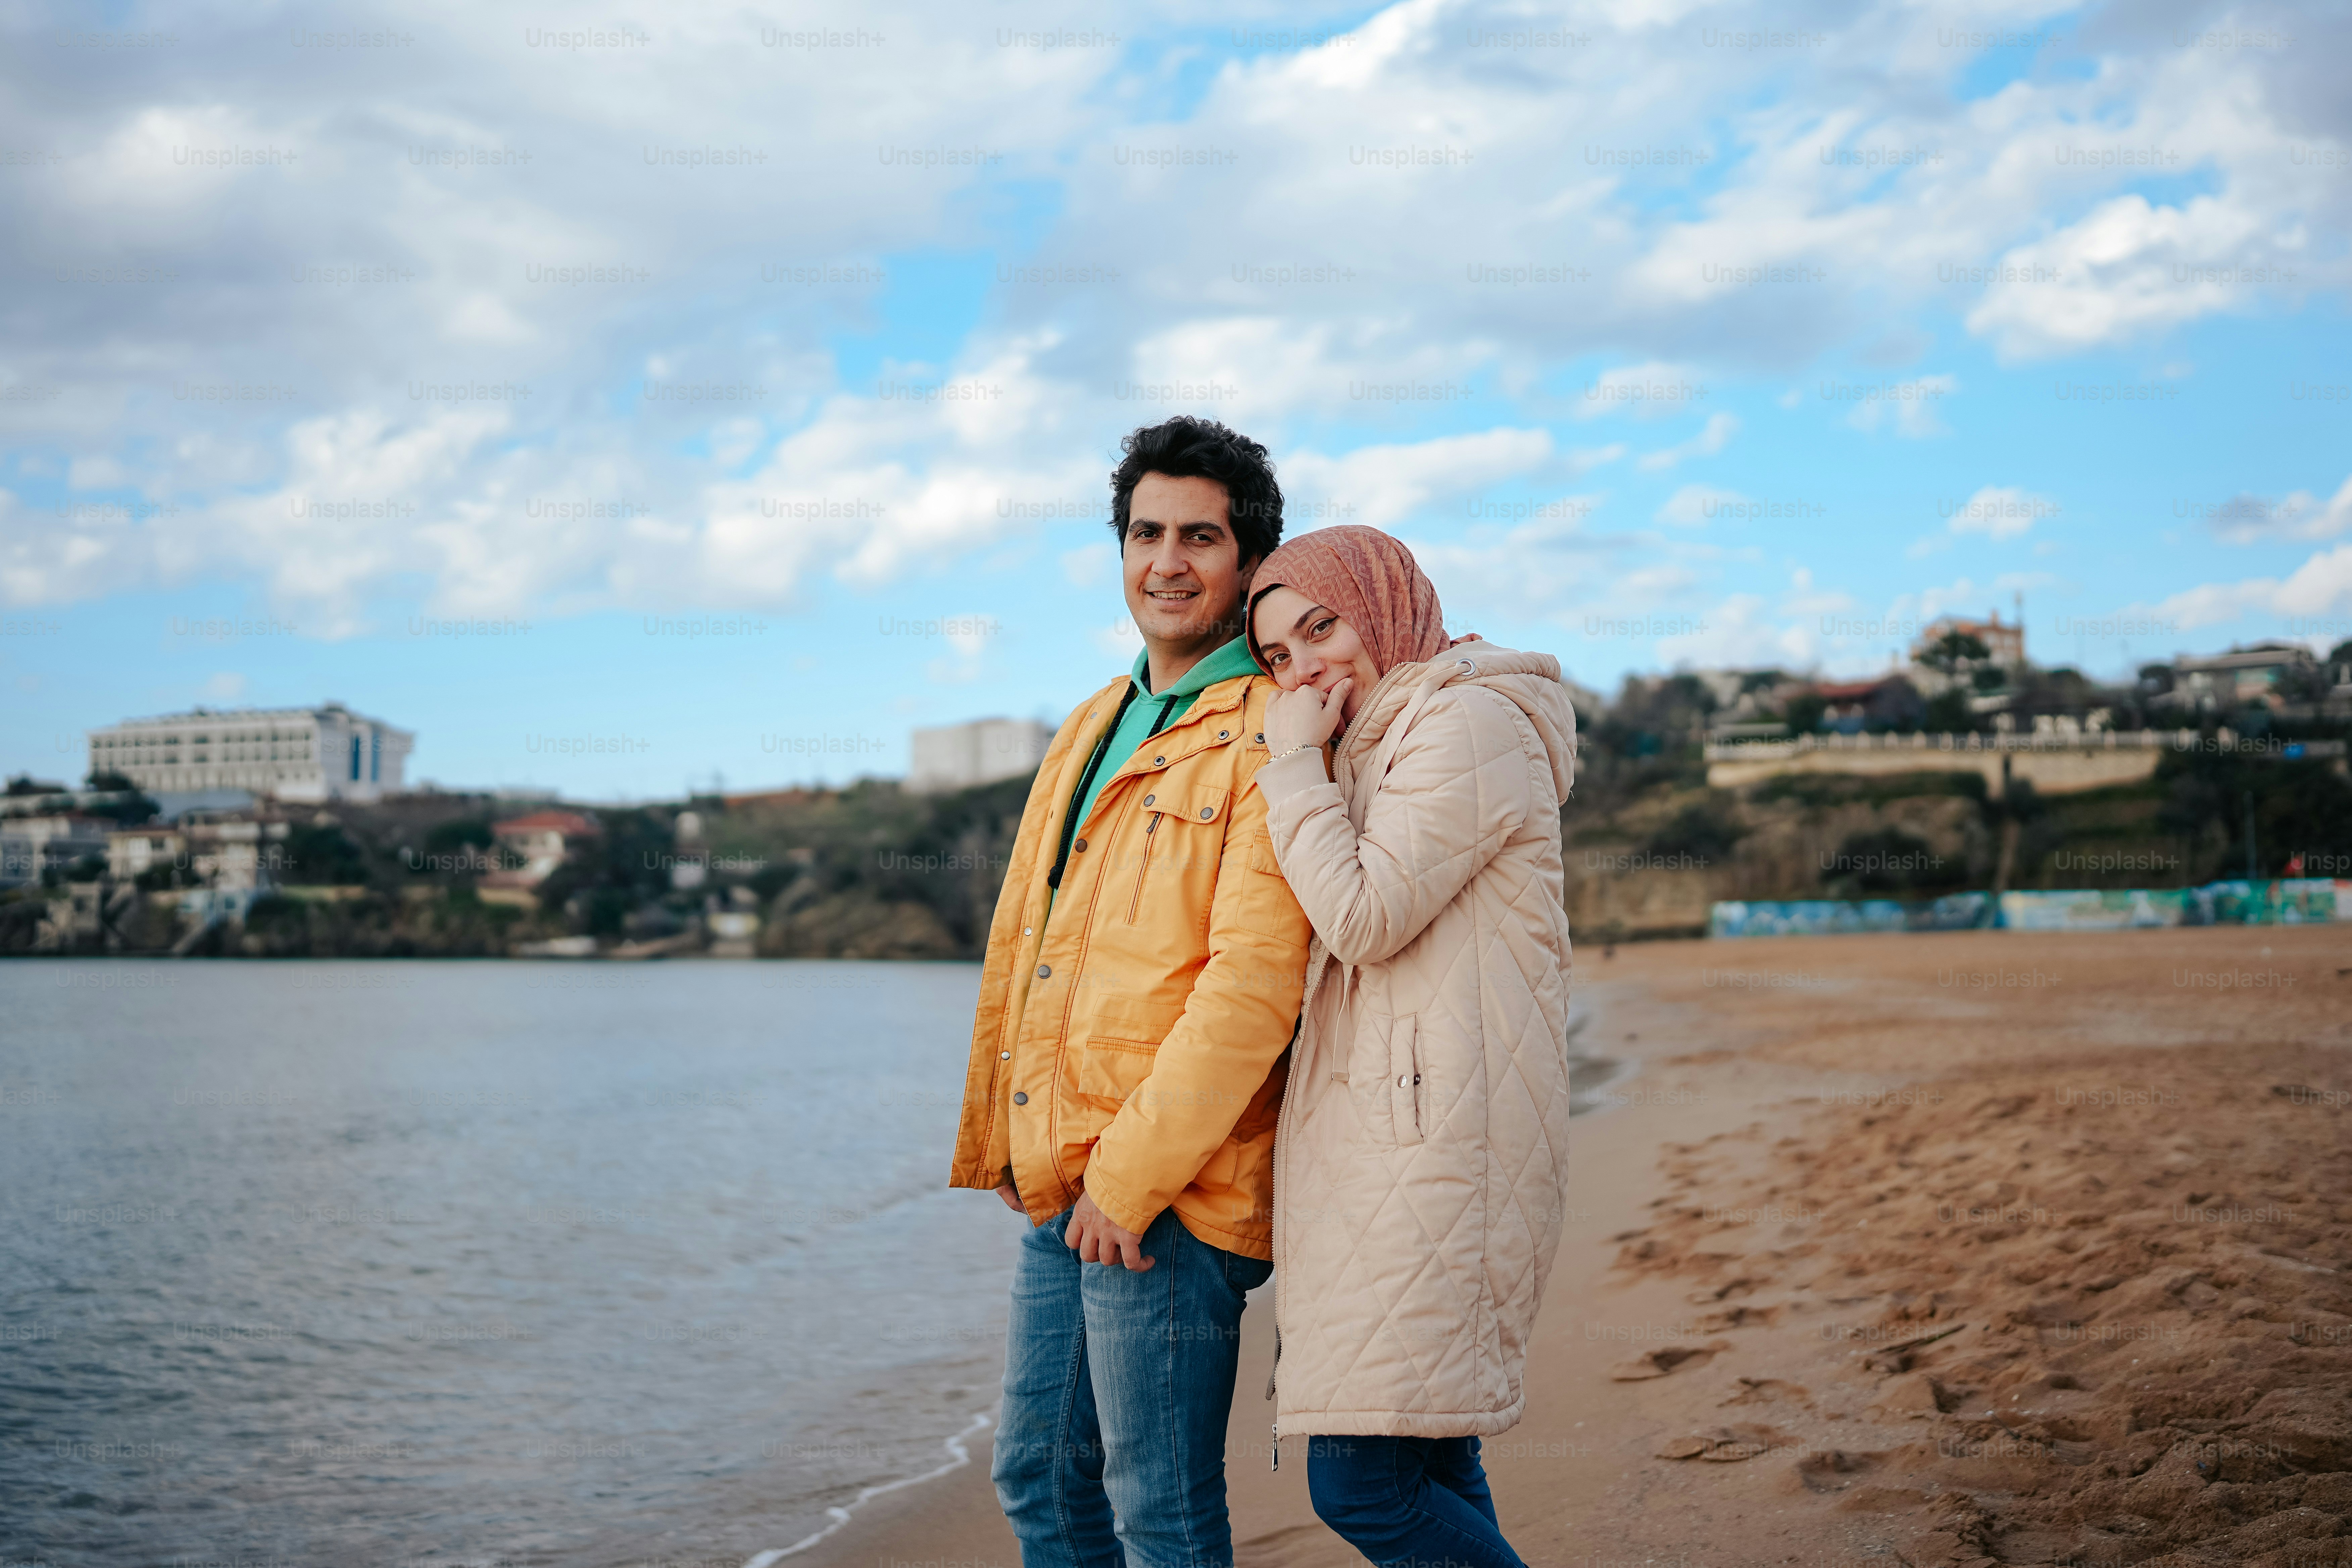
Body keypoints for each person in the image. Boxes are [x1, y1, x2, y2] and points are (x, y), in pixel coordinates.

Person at [947, 415, 1312, 1568]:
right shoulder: (1093, 722)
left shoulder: (1268, 730)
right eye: (1146, 532)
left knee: (1160, 1508)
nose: (1168, 560)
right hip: (1069, 1179)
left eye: (1200, 536)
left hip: (1170, 1194)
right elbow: (1030, 944)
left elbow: (1256, 984)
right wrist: (1016, 1142)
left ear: (1248, 562)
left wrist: (1129, 1179)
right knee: (1040, 1480)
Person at [1245, 525, 1577, 1568]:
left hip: (1438, 1151)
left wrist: (1291, 760)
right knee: (1429, 1455)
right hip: (1414, 1142)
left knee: (1361, 1482)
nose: (1307, 670)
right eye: (1278, 660)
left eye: (1322, 627)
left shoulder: (1464, 721)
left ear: (1384, 604)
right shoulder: (1388, 740)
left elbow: (1364, 915)